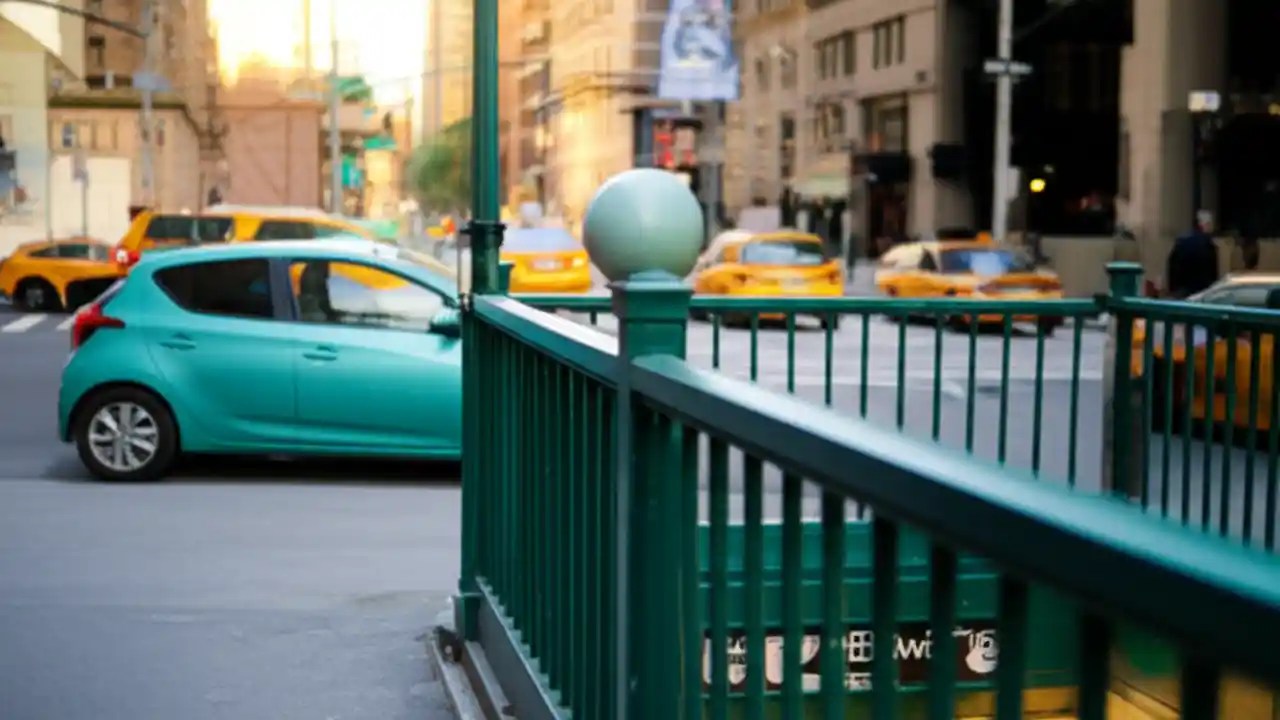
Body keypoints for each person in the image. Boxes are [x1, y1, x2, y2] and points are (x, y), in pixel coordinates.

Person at [1166, 212, 1218, 299]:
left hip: (1181, 290)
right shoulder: (1207, 244)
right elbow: (1211, 270)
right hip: (1201, 291)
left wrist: (1173, 288)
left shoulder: (1182, 240)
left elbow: (1172, 264)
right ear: (1205, 224)